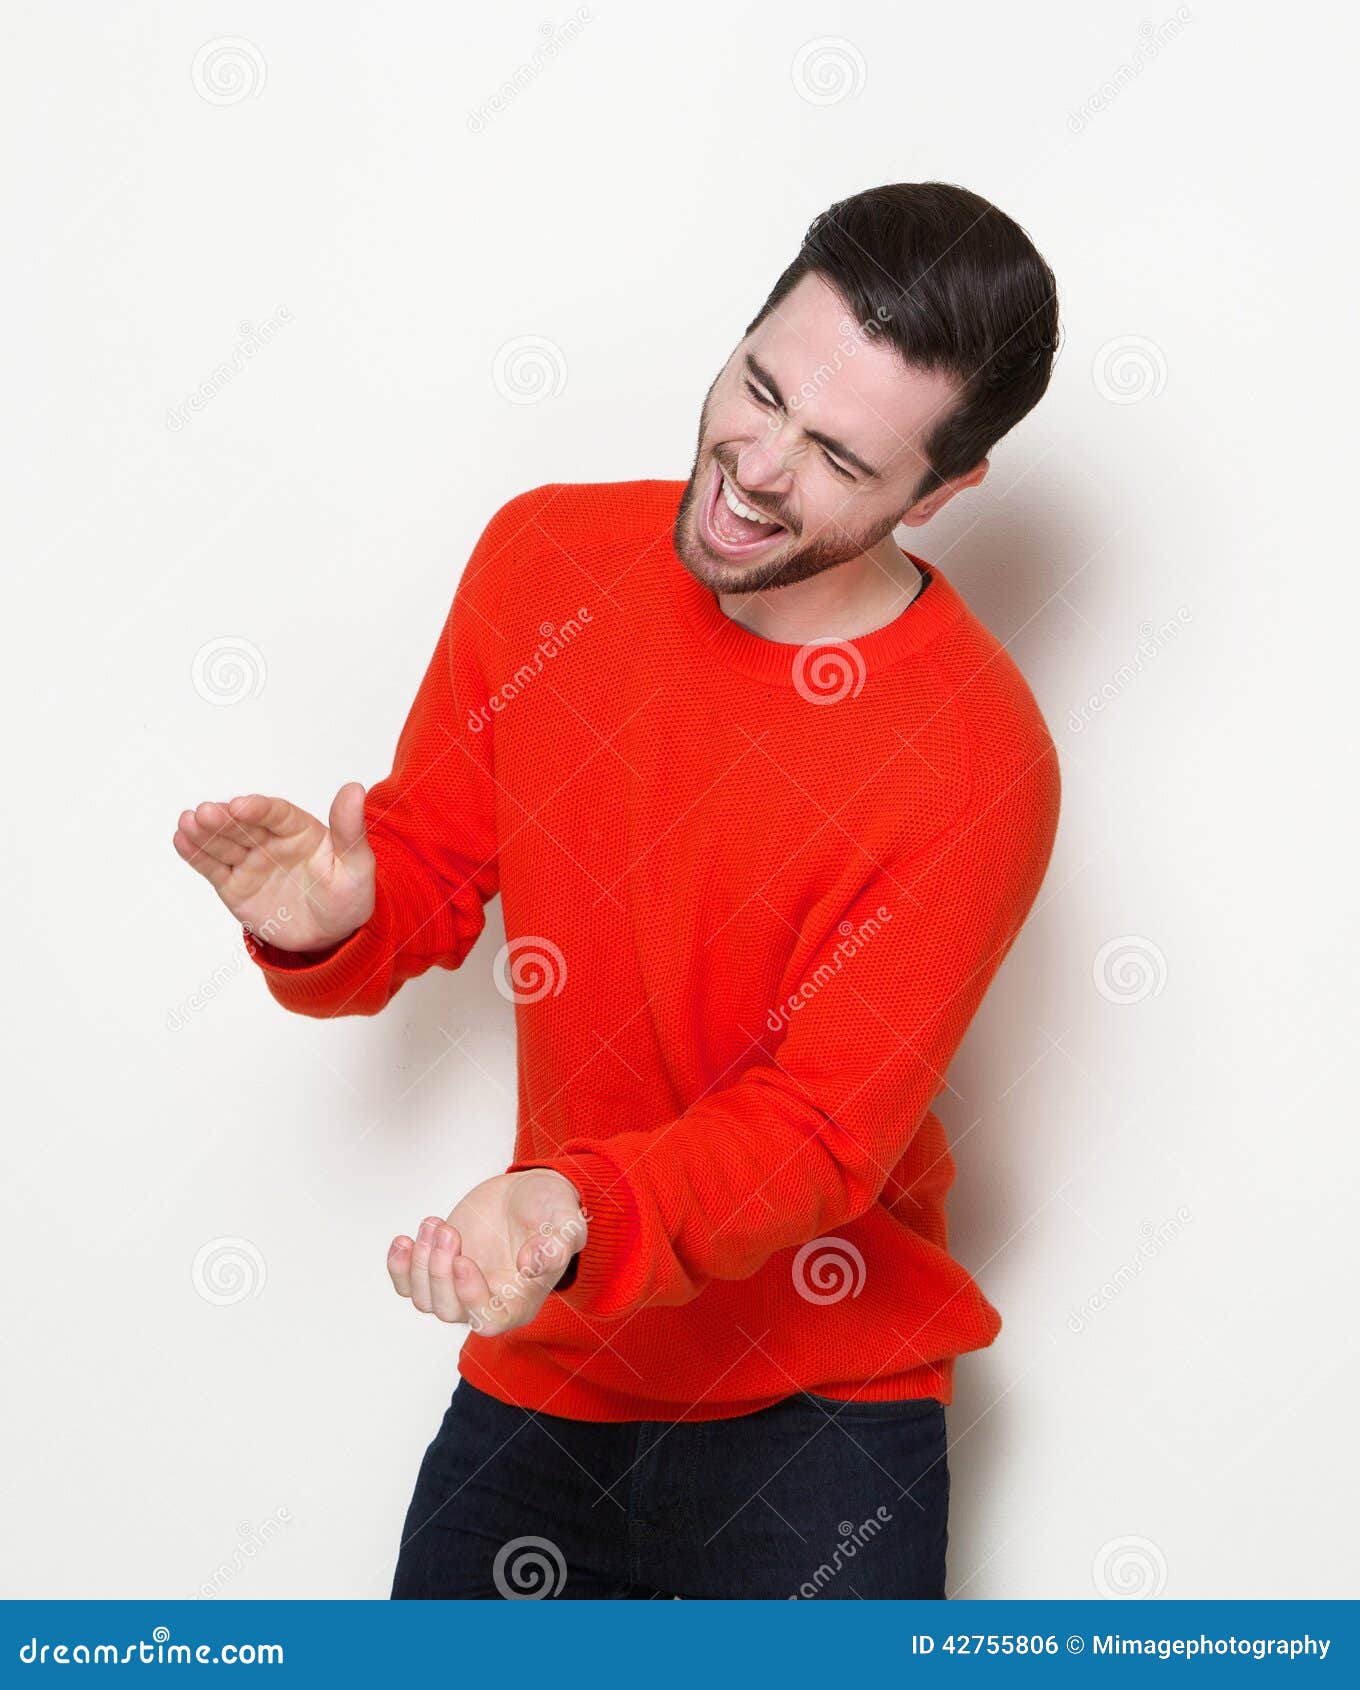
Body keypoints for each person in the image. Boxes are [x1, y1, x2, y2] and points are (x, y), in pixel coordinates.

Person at [172, 181, 1062, 1600]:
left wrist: (570, 1211)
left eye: (838, 456)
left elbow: (818, 1133)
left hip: (826, 1424)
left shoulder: (975, 756)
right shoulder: (547, 563)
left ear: (942, 493)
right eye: (759, 387)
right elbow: (426, 874)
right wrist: (340, 916)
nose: (757, 467)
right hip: (550, 1361)